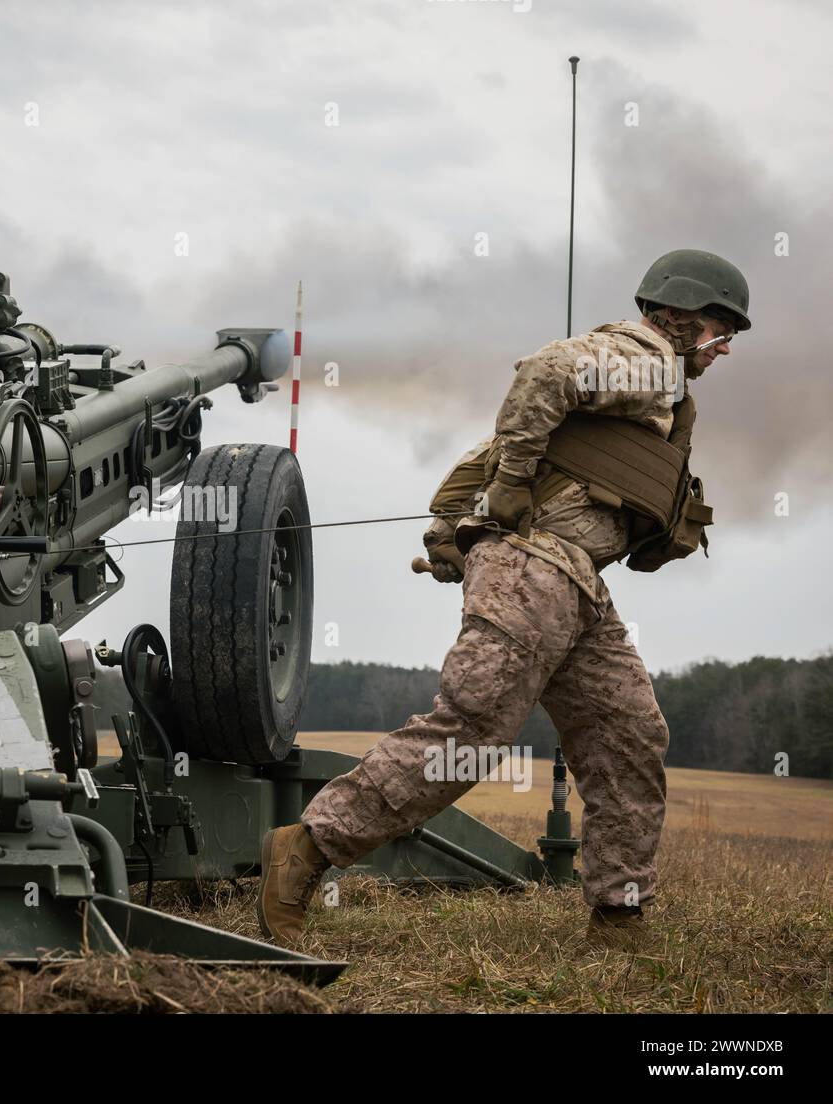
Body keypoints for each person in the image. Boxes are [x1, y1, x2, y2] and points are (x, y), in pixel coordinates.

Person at [256, 249, 751, 949]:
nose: (723, 348)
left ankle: (619, 919)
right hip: (534, 565)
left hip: (577, 583)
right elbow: (546, 373)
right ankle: (307, 849)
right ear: (675, 315)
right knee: (474, 727)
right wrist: (515, 481)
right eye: (717, 329)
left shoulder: (666, 392)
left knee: (629, 738)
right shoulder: (645, 358)